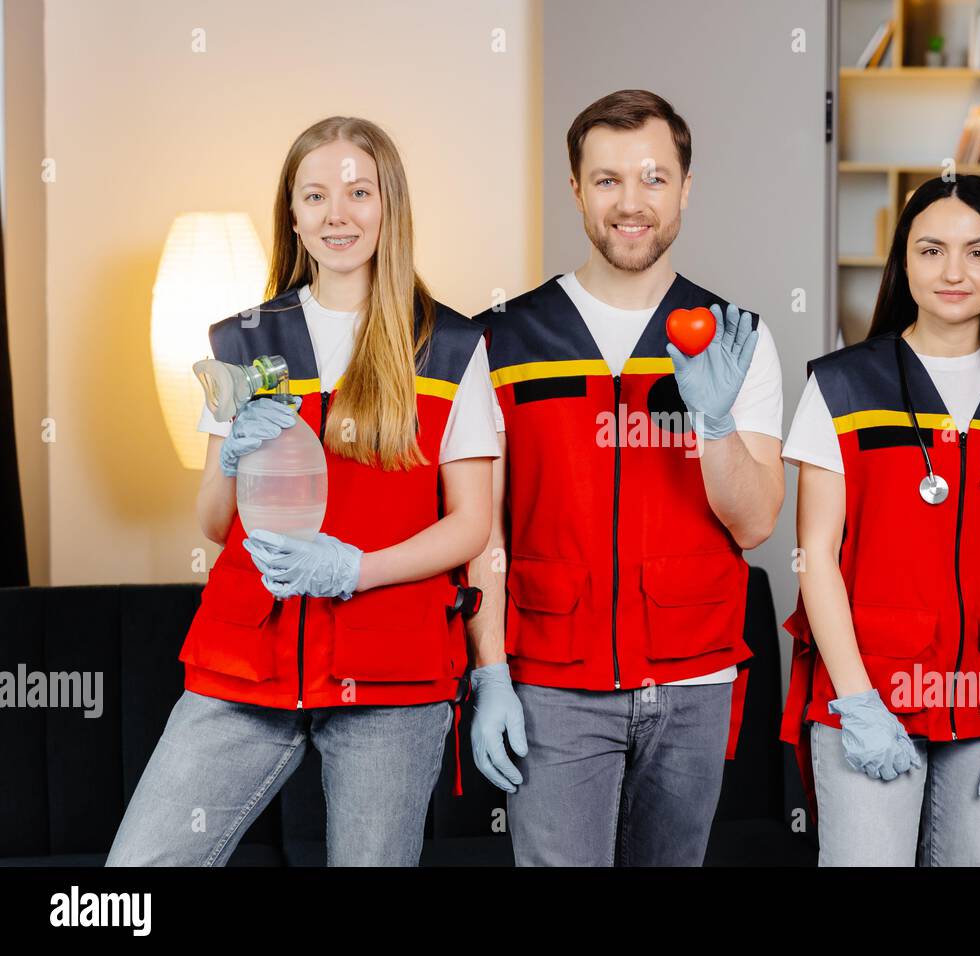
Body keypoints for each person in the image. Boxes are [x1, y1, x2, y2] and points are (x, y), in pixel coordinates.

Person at [106, 116, 499, 866]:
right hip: (246, 664)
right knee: (139, 872)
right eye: (314, 196)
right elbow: (217, 526)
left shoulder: (451, 347)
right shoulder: (243, 342)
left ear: (391, 207)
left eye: (358, 192)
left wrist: (355, 569)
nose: (336, 215)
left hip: (389, 677)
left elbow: (470, 525)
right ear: (291, 213)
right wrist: (227, 464)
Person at [465, 90, 785, 866]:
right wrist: (490, 675)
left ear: (684, 187)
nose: (631, 203)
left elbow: (755, 522)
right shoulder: (501, 338)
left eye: (652, 177)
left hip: (694, 681)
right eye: (606, 180)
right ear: (576, 190)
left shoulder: (736, 337)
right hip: (550, 683)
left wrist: (713, 423)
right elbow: (482, 530)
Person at [779, 174, 980, 866]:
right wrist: (857, 702)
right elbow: (816, 556)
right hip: (870, 692)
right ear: (904, 263)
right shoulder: (840, 388)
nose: (954, 271)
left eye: (977, 253)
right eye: (931, 250)